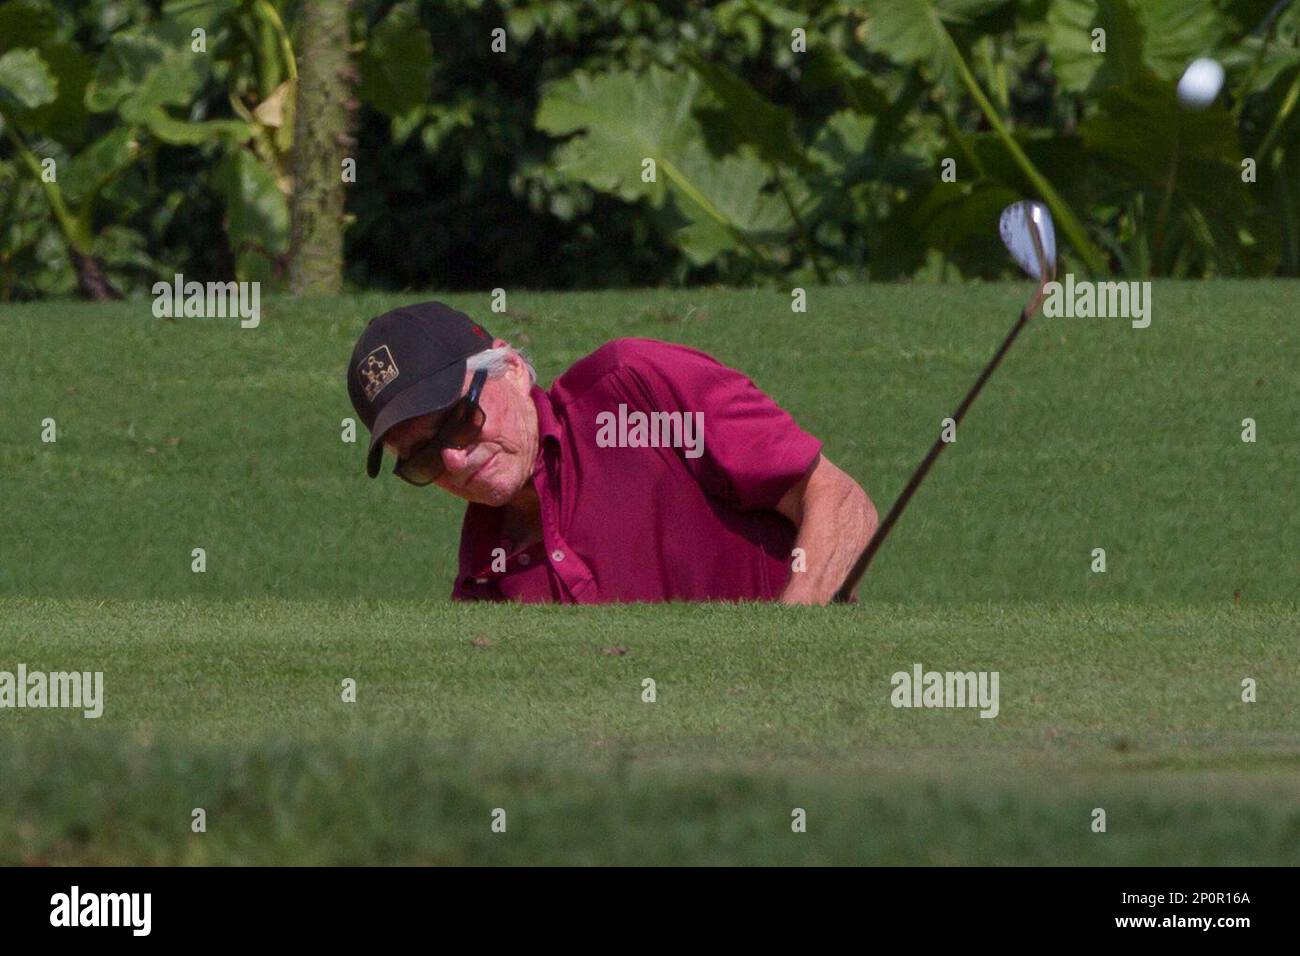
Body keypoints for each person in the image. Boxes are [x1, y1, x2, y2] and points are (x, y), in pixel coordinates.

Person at [347, 301, 877, 603]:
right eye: (422, 460)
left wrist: (783, 654)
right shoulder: (483, 583)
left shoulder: (636, 388)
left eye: (459, 421)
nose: (455, 461)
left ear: (509, 367)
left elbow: (839, 499)